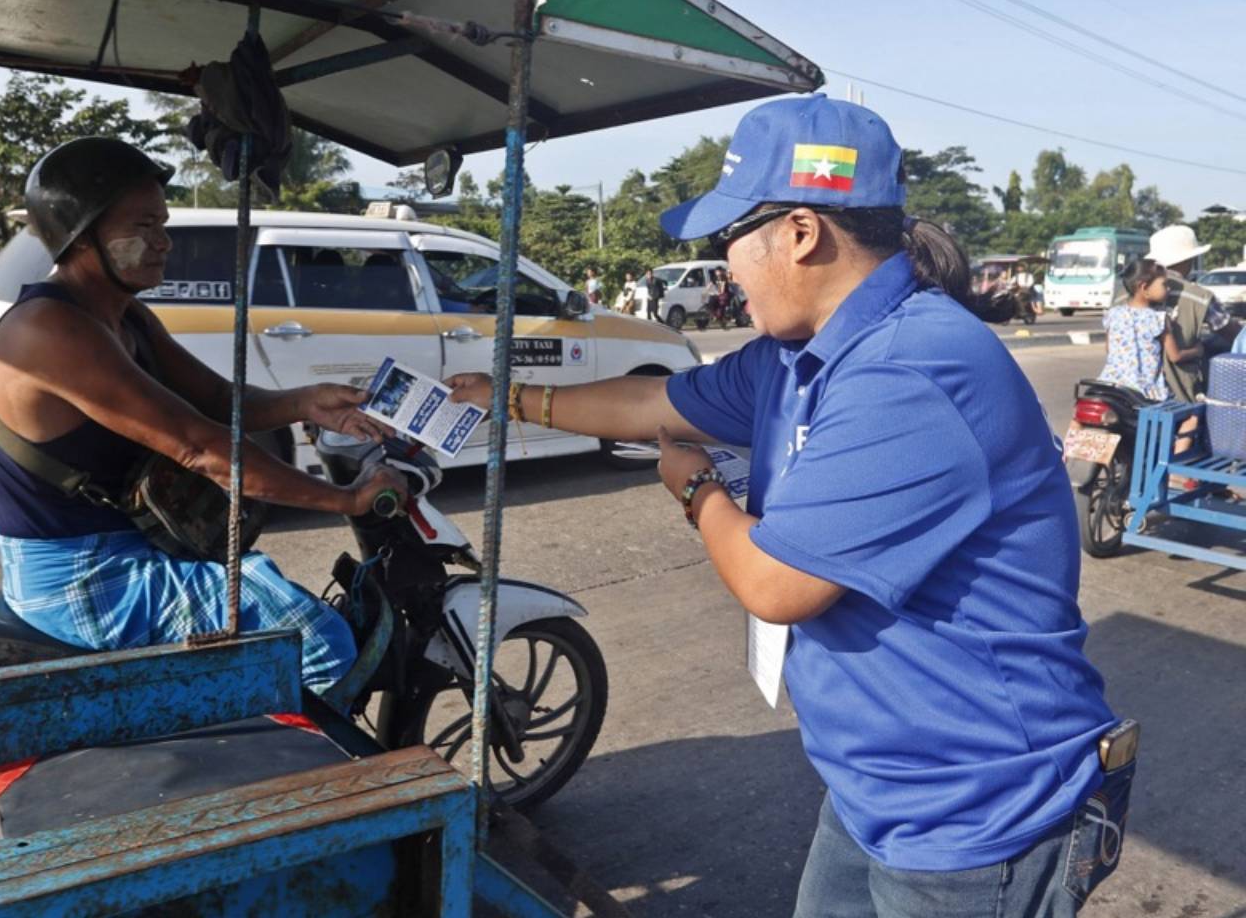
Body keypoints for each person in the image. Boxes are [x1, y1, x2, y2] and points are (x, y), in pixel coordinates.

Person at [449, 94, 1127, 917]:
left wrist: (695, 488)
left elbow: (777, 584)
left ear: (801, 232)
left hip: (976, 808)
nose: (725, 265)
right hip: (876, 785)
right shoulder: (794, 356)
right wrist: (512, 399)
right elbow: (653, 405)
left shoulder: (911, 369)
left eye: (729, 239)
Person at [0, 137, 407, 695]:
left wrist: (304, 401)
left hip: (126, 549)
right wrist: (347, 500)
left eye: (163, 224)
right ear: (82, 237)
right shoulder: (50, 330)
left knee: (269, 604)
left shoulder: (122, 315)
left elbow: (212, 398)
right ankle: (279, 779)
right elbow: (200, 448)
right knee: (319, 641)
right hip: (83, 579)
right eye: (144, 226)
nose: (163, 242)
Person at [1147, 224, 1237, 402]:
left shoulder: (1126, 295)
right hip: (1179, 392)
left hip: (1127, 389)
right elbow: (1233, 334)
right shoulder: (1199, 297)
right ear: (1188, 260)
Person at [1099, 260, 1196, 400]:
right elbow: (1175, 356)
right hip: (1143, 390)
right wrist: (1197, 350)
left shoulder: (1113, 314)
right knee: (1192, 417)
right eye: (1164, 284)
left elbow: (1109, 348)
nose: (1168, 289)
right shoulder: (1158, 319)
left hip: (1109, 384)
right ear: (1144, 288)